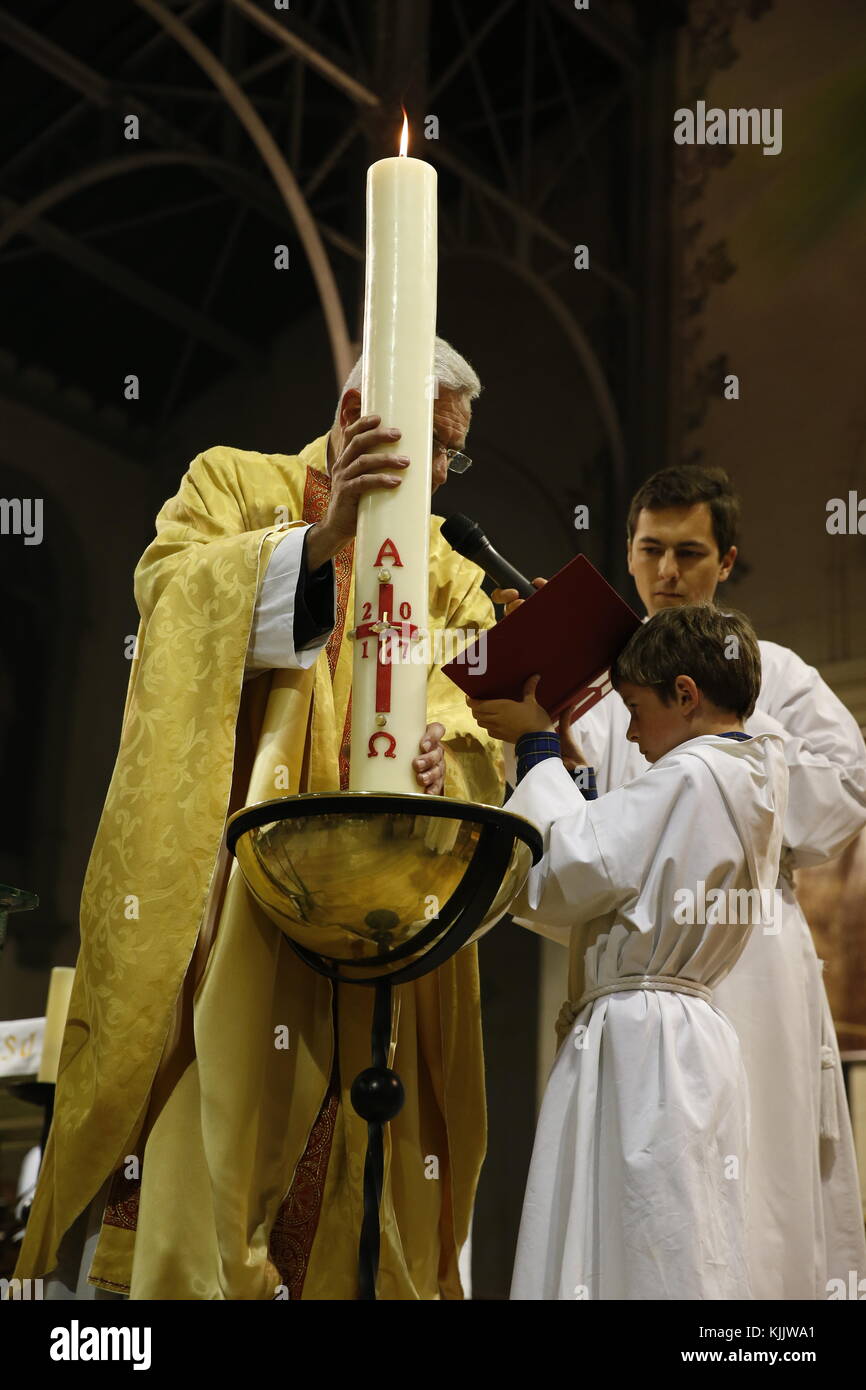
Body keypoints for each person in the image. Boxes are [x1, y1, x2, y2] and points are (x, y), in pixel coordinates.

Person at [15, 337, 504, 1301]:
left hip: (383, 900)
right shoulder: (236, 483)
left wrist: (448, 750)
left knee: (360, 1132)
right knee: (219, 1085)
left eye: (456, 452)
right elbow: (167, 595)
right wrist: (321, 542)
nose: (445, 473)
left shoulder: (446, 569)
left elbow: (470, 702)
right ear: (357, 414)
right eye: (433, 446)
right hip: (246, 876)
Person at [494, 464, 866, 1299]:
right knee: (651, 1195)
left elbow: (846, 785)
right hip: (634, 952)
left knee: (750, 1181)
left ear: (725, 560)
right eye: (650, 550)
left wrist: (726, 778)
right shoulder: (602, 689)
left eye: (688, 553)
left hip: (746, 949)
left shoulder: (772, 677)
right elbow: (592, 844)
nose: (666, 572)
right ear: (627, 554)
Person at [468, 604, 787, 1299]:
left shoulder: (694, 773)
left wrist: (536, 748)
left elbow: (568, 873)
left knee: (637, 1245)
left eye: (637, 710)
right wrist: (569, 777)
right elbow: (621, 891)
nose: (633, 733)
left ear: (686, 694)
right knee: (674, 1239)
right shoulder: (747, 771)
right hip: (683, 1035)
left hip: (646, 1044)